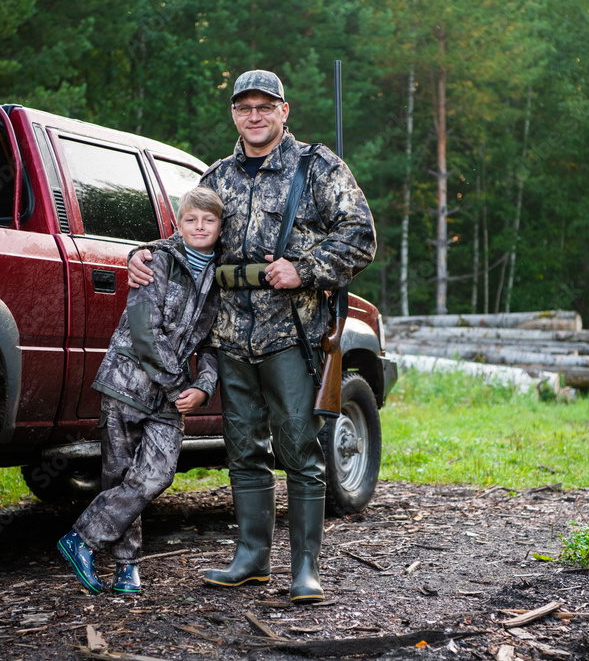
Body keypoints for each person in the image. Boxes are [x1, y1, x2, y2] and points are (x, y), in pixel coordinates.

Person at [127, 69, 376, 603]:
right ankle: (251, 559)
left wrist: (303, 268)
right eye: (245, 107)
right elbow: (190, 236)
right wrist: (144, 255)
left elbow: (361, 237)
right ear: (234, 114)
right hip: (231, 340)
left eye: (266, 106)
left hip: (293, 338)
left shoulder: (318, 168)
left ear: (285, 111)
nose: (255, 116)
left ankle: (305, 569)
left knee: (301, 453)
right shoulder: (218, 176)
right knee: (243, 451)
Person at [57, 186, 224, 595]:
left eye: (209, 220)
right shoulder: (157, 261)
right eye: (191, 220)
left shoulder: (222, 278)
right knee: (119, 475)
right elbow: (144, 333)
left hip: (171, 394)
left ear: (221, 226)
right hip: (127, 385)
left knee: (156, 475)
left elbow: (216, 343)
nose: (200, 227)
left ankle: (81, 538)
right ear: (178, 225)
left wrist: (202, 386)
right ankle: (126, 567)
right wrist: (179, 384)